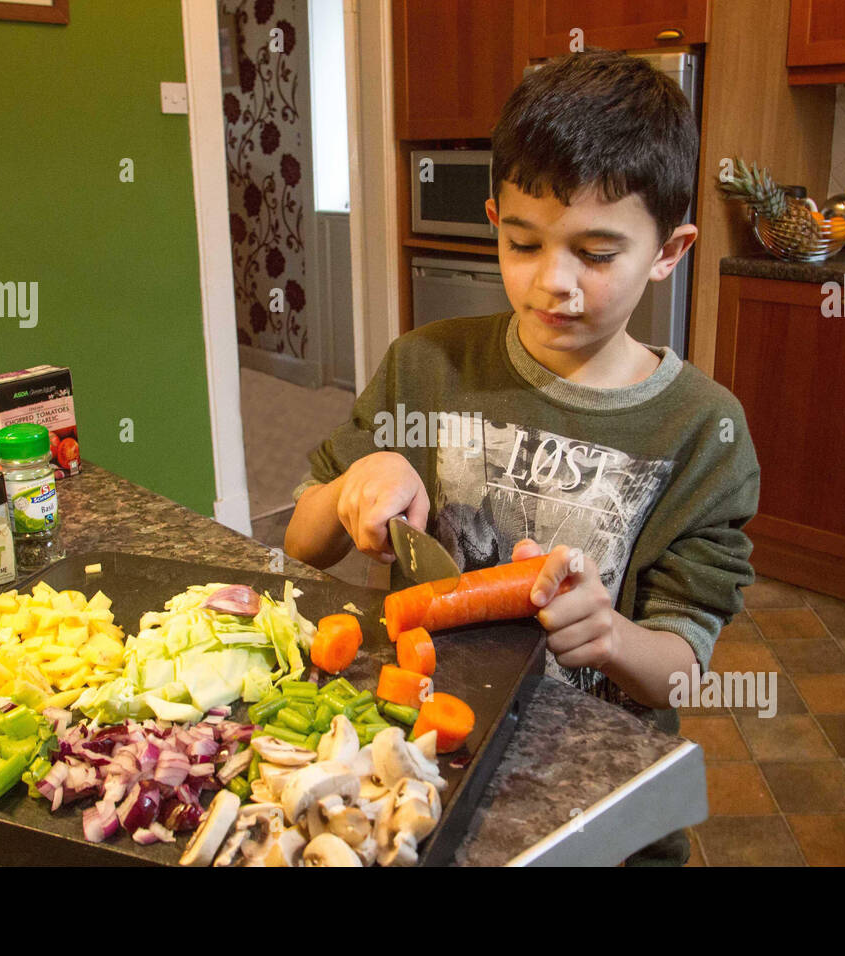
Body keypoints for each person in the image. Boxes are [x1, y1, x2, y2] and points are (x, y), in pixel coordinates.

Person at [284, 49, 759, 865]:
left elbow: (679, 671)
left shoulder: (701, 431)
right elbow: (302, 540)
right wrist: (354, 485)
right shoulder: (424, 366)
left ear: (669, 252)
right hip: (422, 766)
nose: (552, 284)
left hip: (594, 796)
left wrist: (608, 634)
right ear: (494, 218)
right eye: (524, 242)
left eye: (597, 254)